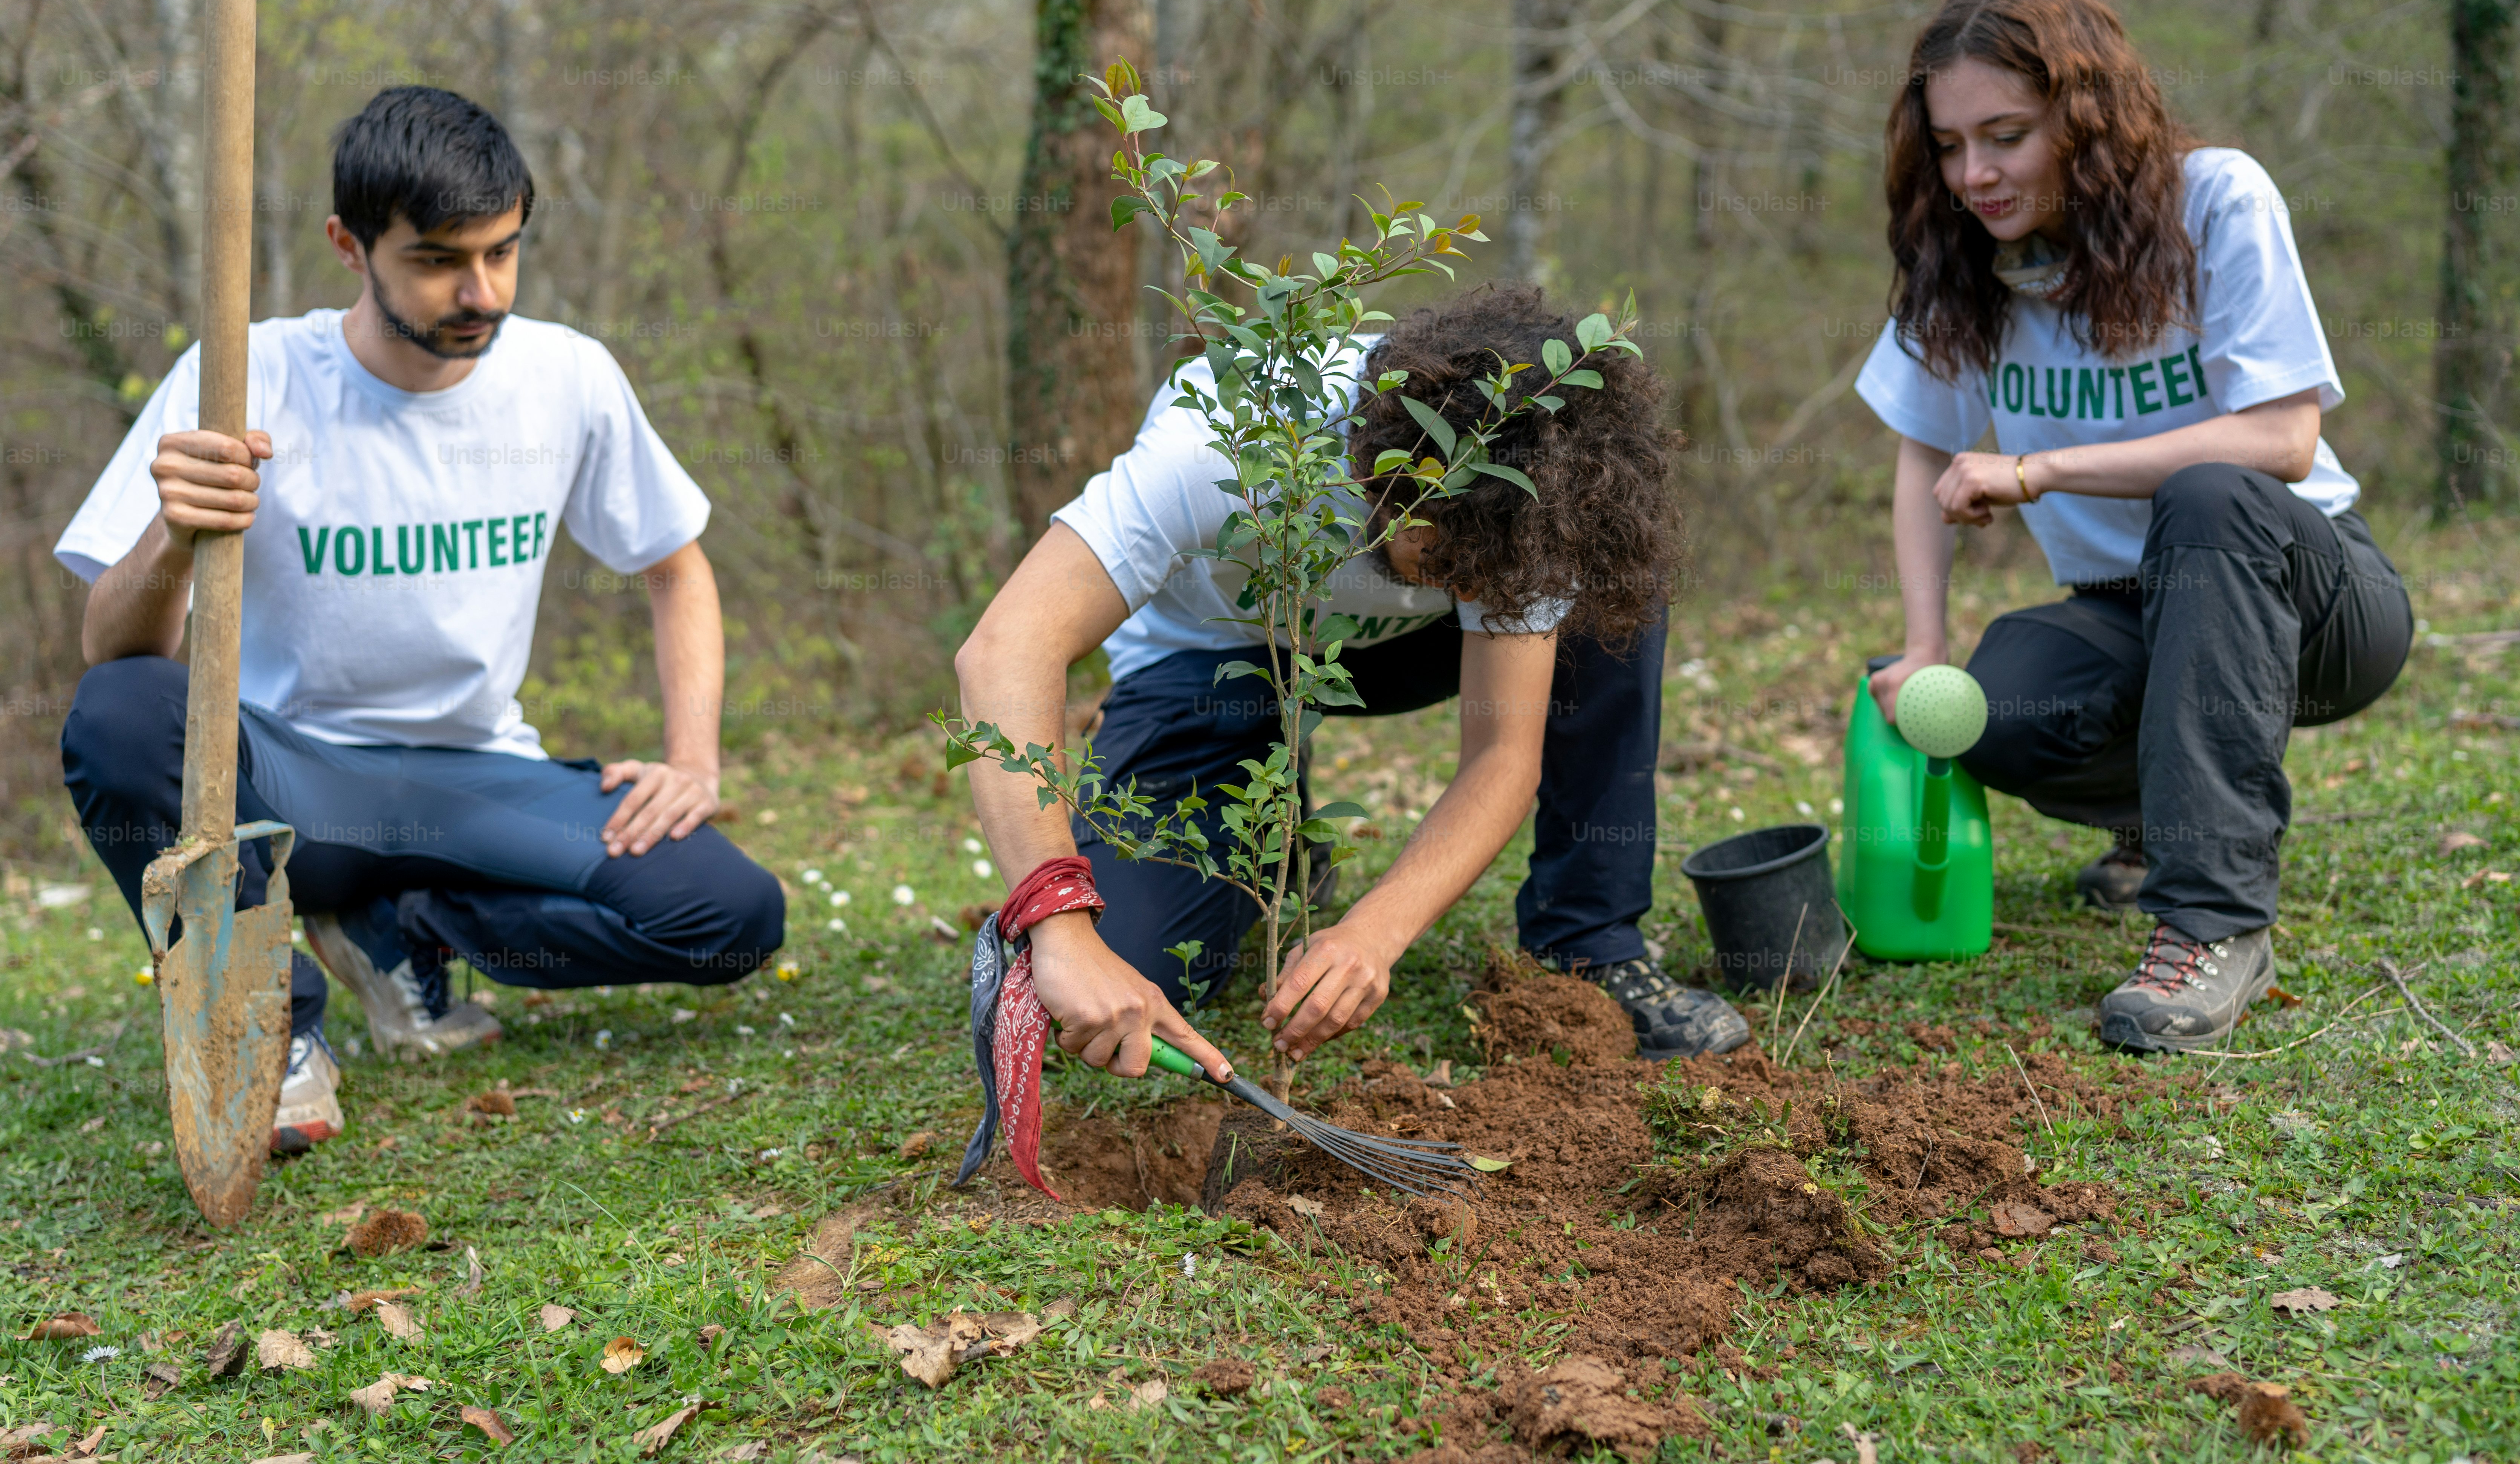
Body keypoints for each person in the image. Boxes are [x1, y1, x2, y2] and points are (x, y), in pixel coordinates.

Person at [56, 86, 784, 1151]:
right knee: (118, 710)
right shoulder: (243, 376)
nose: (480, 291)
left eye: (503, 252)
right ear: (350, 246)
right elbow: (110, 651)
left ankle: (406, 931)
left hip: (472, 778)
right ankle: (271, 1023)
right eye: (440, 258)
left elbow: (677, 567)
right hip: (288, 787)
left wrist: (695, 757)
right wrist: (173, 537)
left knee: (730, 914)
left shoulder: (566, 376)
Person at [953, 283, 1748, 1088]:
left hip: (1401, 652)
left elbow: (1503, 754)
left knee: (1612, 597)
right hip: (1218, 657)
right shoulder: (1221, 441)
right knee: (1132, 967)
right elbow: (1004, 647)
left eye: (1492, 575)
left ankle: (1590, 946)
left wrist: (1376, 930)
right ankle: (1269, 844)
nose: (1472, 591)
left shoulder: (1533, 496)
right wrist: (1057, 924)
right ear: (1393, 478)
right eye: (1446, 560)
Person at [1856, 0, 2411, 1052]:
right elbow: (1923, 441)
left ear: (2084, 113)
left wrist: (2042, 469)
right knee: (1996, 704)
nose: (1975, 173)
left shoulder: (2217, 200)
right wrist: (1925, 644)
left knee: (2209, 495)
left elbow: (2282, 442)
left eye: (2007, 135)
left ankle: (2212, 921)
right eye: (1952, 144)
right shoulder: (1966, 257)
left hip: (2318, 599)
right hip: (2132, 608)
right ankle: (2169, 809)